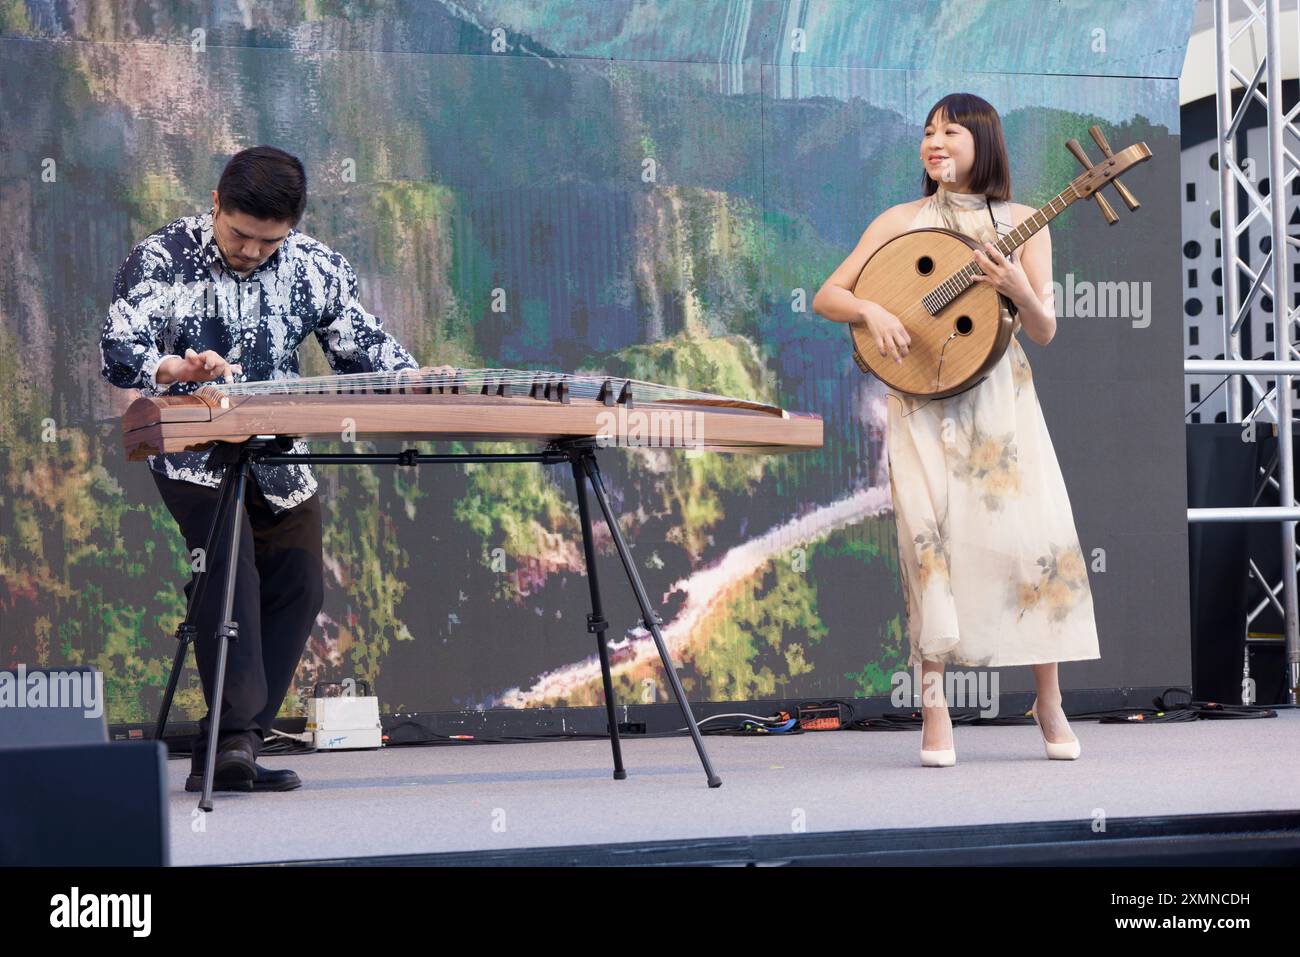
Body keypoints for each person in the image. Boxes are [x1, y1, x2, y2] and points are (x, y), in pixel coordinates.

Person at [101, 145, 453, 792]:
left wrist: (412, 378)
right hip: (191, 450)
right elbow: (121, 350)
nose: (252, 250)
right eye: (240, 235)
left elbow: (362, 347)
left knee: (299, 583)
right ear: (216, 204)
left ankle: (237, 737)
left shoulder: (315, 267)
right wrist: (174, 367)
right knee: (228, 577)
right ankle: (233, 741)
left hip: (278, 453)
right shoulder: (162, 258)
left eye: (269, 242)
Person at [812, 93, 1100, 767]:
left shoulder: (1026, 221)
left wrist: (1016, 287)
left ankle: (1048, 699)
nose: (934, 142)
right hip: (920, 404)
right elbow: (830, 294)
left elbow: (1045, 327)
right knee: (928, 543)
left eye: (951, 132)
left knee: (1029, 542)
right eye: (928, 132)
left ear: (984, 142)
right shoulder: (901, 221)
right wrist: (871, 312)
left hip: (1001, 406)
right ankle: (936, 707)